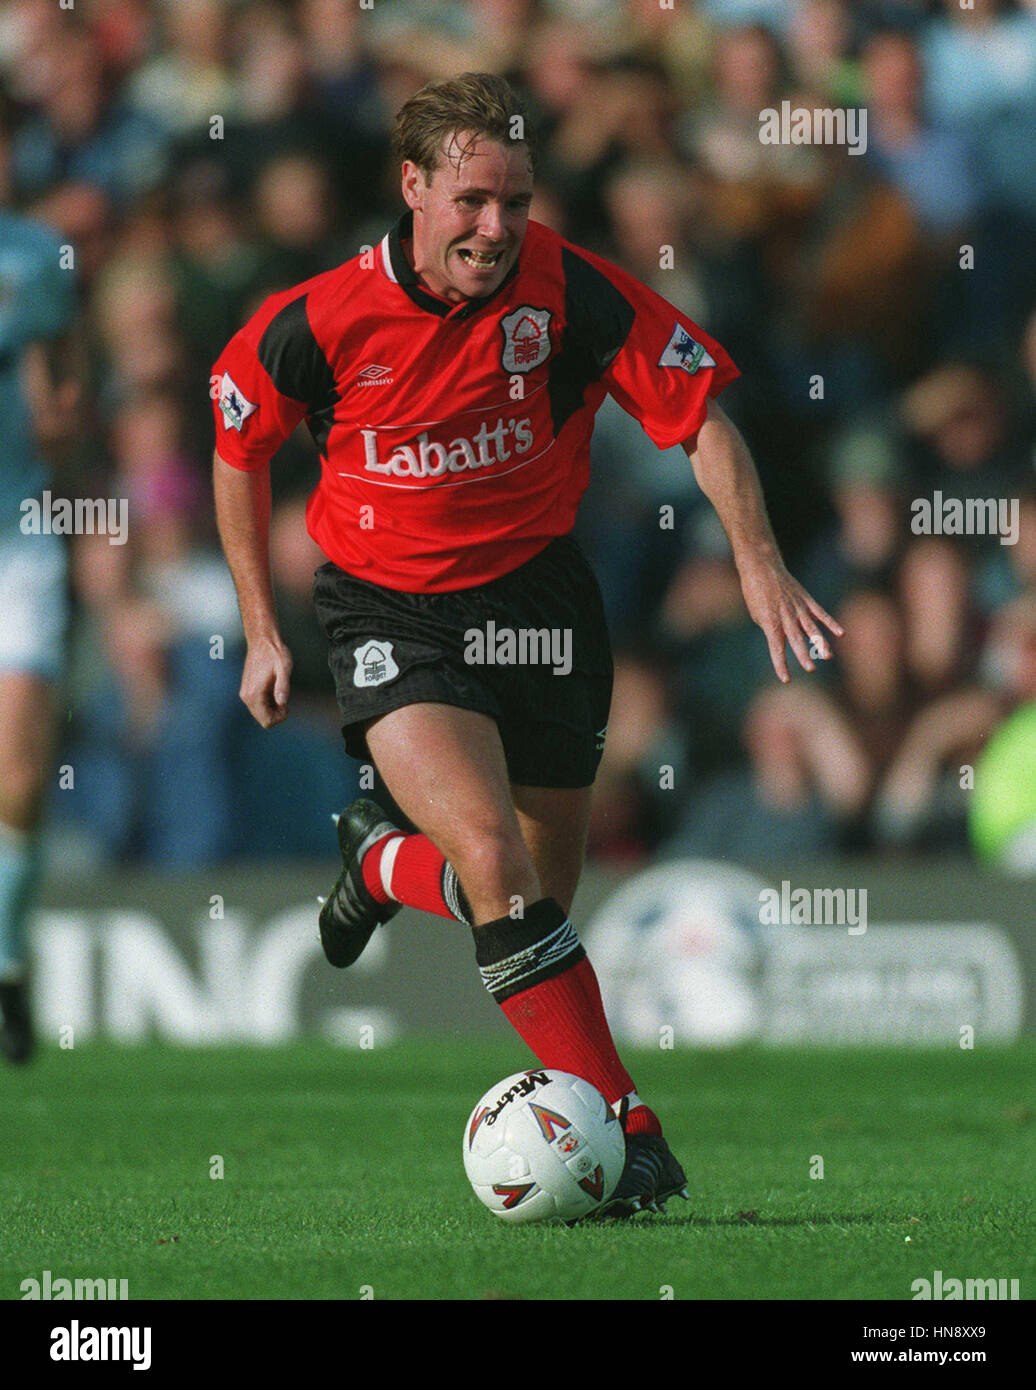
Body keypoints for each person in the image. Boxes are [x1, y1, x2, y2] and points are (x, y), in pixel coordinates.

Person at [211, 72, 841, 1217]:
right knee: (498, 869)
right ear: (412, 188)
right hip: (385, 610)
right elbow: (237, 441)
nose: (496, 227)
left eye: (516, 200)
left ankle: (379, 862)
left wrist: (757, 558)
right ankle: (632, 1129)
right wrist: (261, 622)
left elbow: (697, 415)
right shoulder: (321, 318)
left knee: (528, 899)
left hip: (542, 603)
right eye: (471, 200)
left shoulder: (575, 293)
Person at [0, 203, 80, 1064]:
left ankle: (8, 963)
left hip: (18, 539)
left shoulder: (35, 252)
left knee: (18, 778)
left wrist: (63, 409)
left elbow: (61, 363)